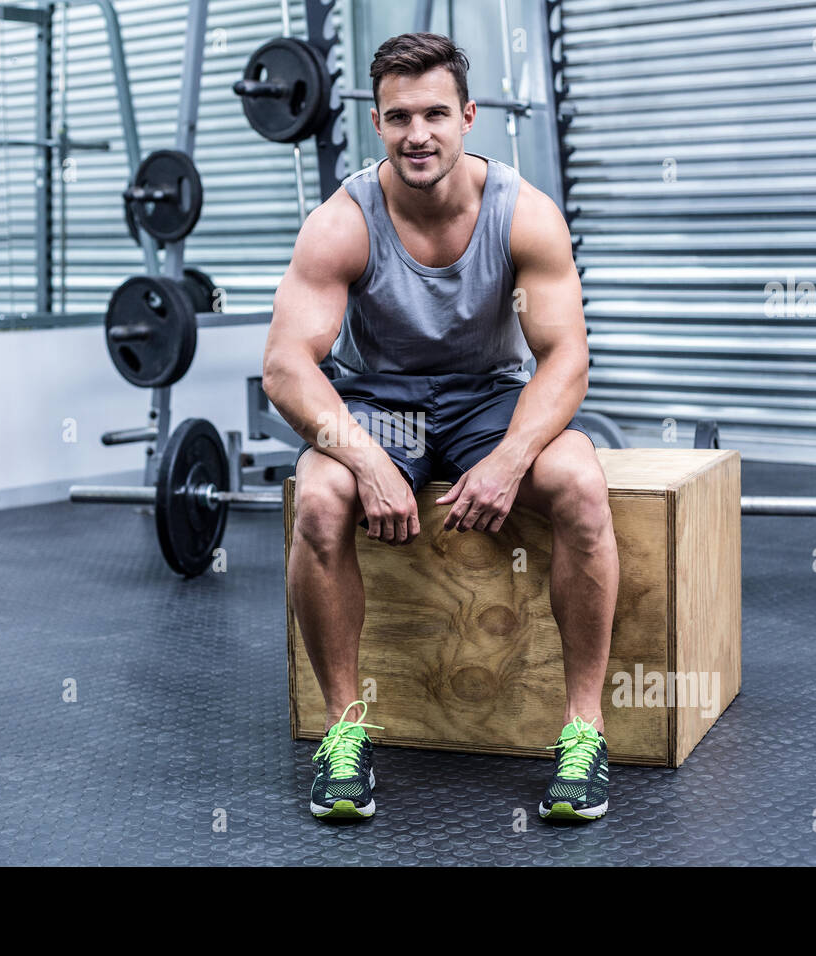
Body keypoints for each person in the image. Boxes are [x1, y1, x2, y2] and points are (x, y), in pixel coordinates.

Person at [261, 32, 619, 822]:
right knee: (319, 499)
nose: (416, 134)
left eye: (433, 114)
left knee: (581, 484)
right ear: (378, 125)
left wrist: (509, 459)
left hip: (487, 400)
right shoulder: (341, 223)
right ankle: (343, 732)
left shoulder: (524, 214)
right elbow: (287, 365)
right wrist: (367, 461)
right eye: (397, 117)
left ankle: (584, 730)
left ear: (467, 115)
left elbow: (565, 358)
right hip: (377, 408)